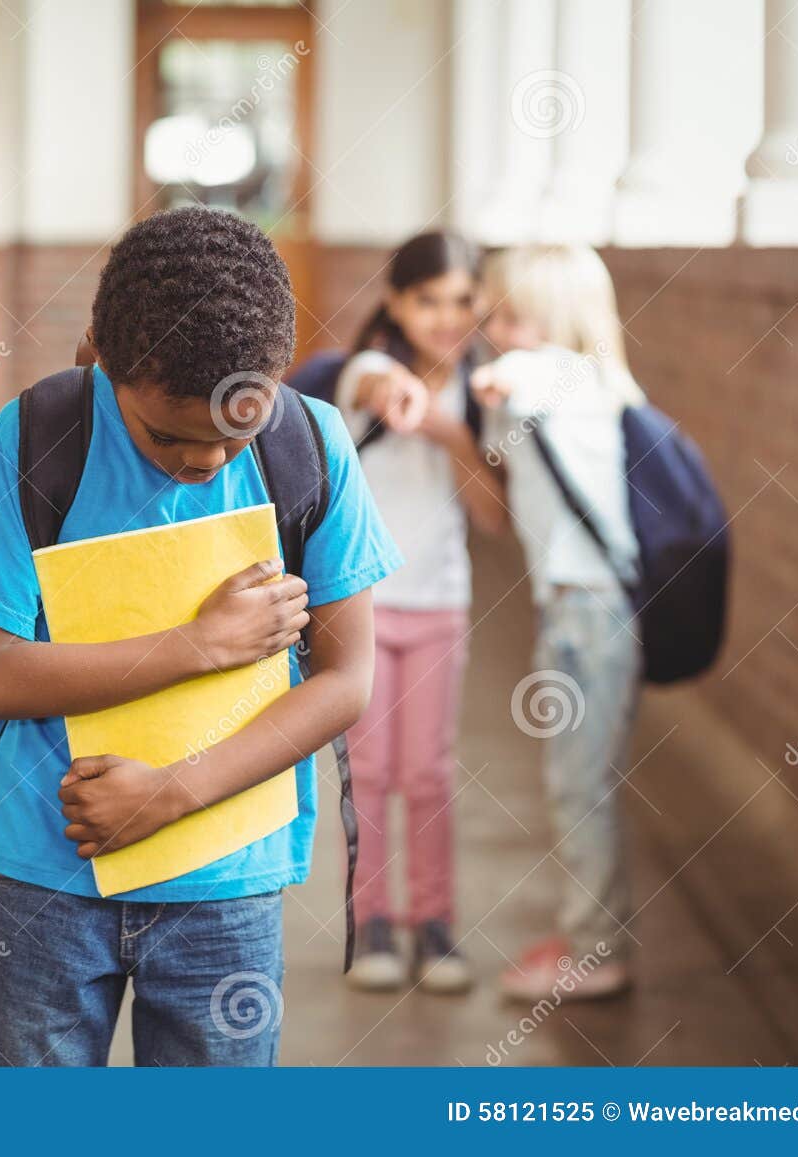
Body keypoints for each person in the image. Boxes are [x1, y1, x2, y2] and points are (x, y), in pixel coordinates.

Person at [0, 206, 401, 1066]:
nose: (206, 462)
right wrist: (198, 646)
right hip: (49, 872)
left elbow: (345, 680)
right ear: (105, 362)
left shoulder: (313, 447)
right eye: (169, 435)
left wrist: (172, 793)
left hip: (228, 881)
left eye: (237, 433)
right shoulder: (38, 440)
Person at [332, 231, 506, 994]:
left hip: (438, 600)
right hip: (361, 608)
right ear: (398, 303)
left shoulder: (486, 391)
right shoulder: (368, 368)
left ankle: (433, 924)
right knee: (367, 769)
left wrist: (452, 430)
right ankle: (369, 922)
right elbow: (374, 387)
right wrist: (399, 397)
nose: (444, 316)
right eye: (426, 299)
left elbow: (493, 517)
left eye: (461, 301)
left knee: (427, 772)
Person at [473, 244, 644, 1002]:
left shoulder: (560, 373)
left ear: (555, 320)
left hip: (585, 611)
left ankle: (595, 950)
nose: (498, 330)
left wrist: (496, 372)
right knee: (576, 781)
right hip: (580, 607)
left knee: (580, 788)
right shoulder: (586, 383)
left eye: (512, 315)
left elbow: (506, 378)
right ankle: (587, 928)